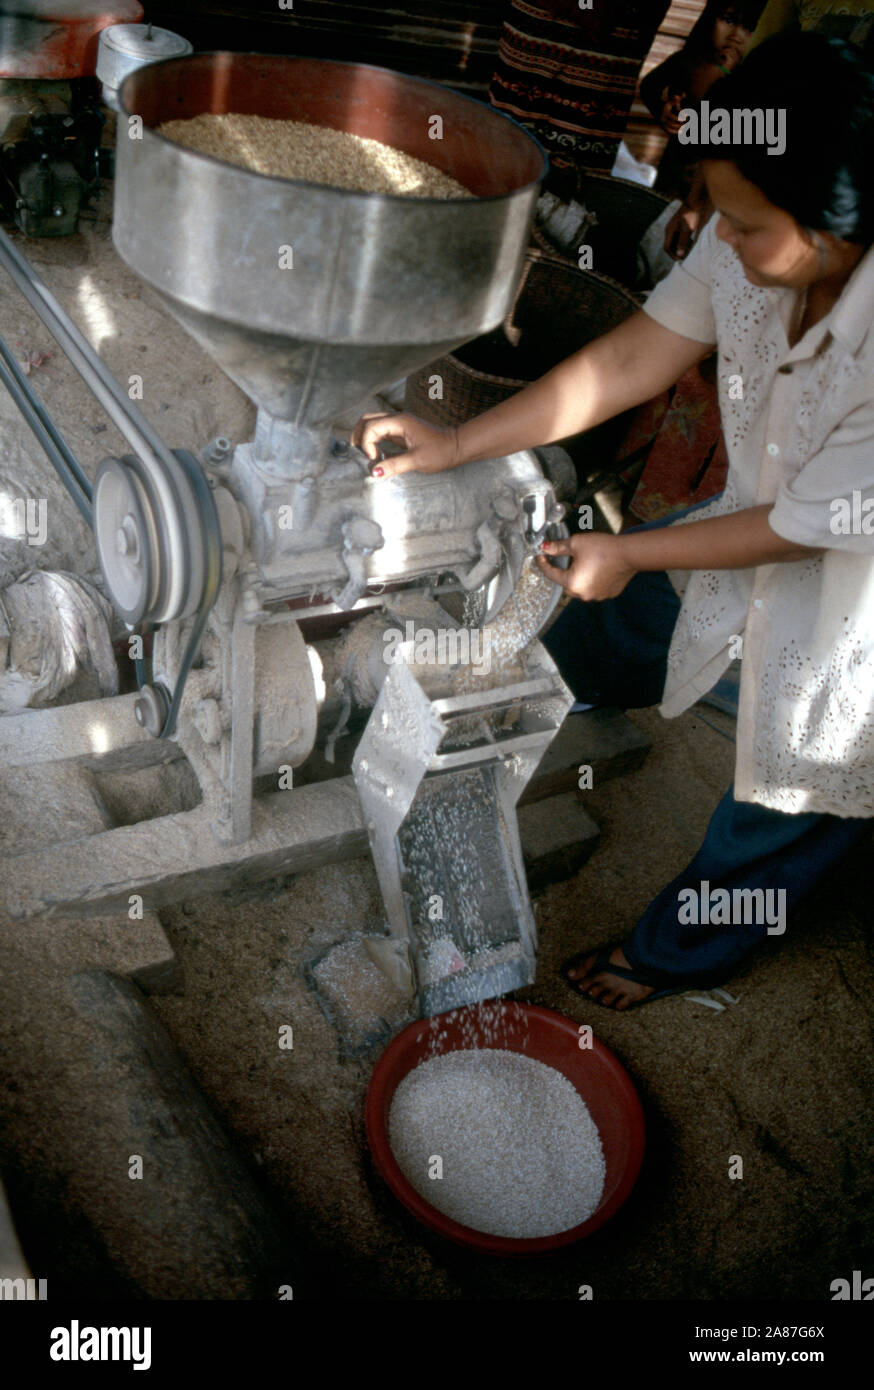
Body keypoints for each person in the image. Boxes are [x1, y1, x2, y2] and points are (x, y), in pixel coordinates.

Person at [353, 33, 874, 1010]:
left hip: (861, 609)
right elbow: (631, 359)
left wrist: (629, 548)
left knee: (784, 805)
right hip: (761, 529)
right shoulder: (754, 244)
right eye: (714, 207)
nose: (720, 239)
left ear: (837, 233)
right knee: (623, 618)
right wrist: (453, 446)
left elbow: (809, 526)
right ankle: (562, 697)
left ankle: (672, 955)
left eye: (747, 224)